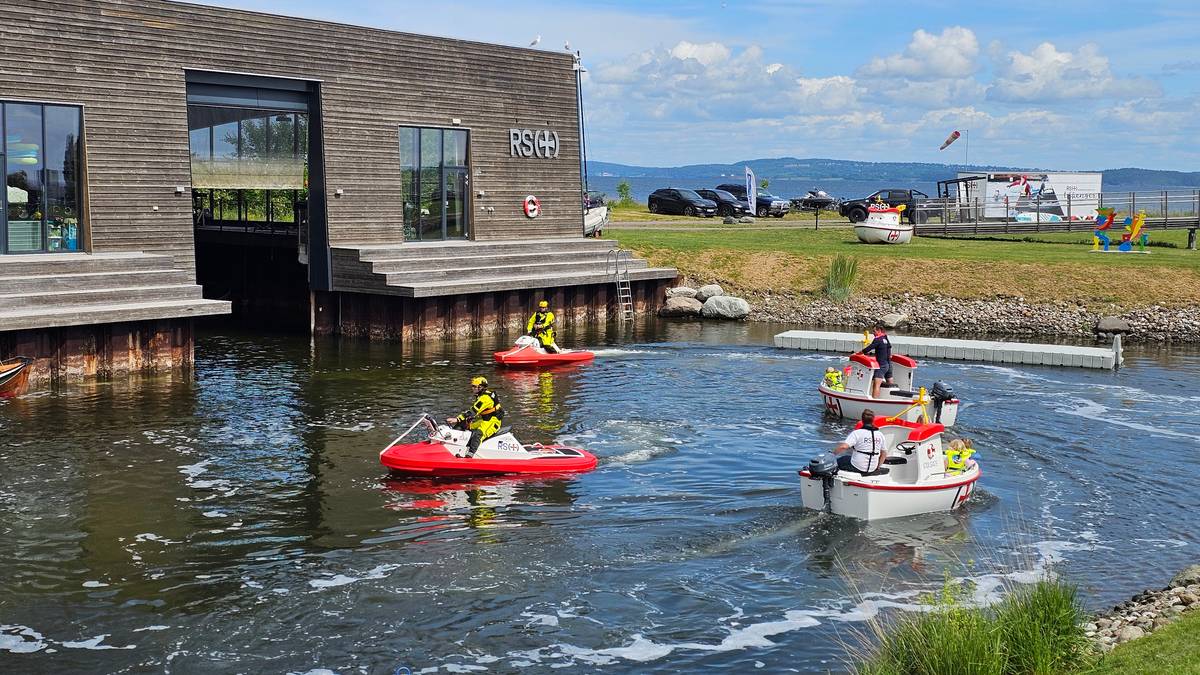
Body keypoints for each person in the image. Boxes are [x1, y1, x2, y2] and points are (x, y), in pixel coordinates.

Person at [446, 376, 504, 458]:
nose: (472, 388)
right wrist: (465, 421)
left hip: (493, 422)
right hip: (485, 420)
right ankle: (454, 445)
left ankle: (470, 455)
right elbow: (477, 412)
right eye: (472, 386)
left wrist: (457, 419)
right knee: (466, 425)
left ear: (480, 387)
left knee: (478, 434)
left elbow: (473, 411)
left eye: (474, 386)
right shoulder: (480, 396)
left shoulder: (485, 398)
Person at [832, 409, 887, 475]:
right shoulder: (880, 435)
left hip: (858, 467)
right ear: (873, 420)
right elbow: (884, 454)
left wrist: (832, 455)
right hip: (873, 468)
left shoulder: (857, 433)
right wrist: (878, 467)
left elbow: (843, 447)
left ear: (862, 420)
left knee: (839, 460)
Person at [858, 324, 894, 398]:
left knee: (876, 384)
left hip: (882, 365)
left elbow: (870, 347)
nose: (873, 333)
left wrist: (859, 353)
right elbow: (889, 347)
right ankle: (891, 399)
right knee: (890, 384)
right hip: (889, 364)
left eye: (874, 331)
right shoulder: (885, 338)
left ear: (879, 331)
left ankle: (874, 401)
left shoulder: (878, 339)